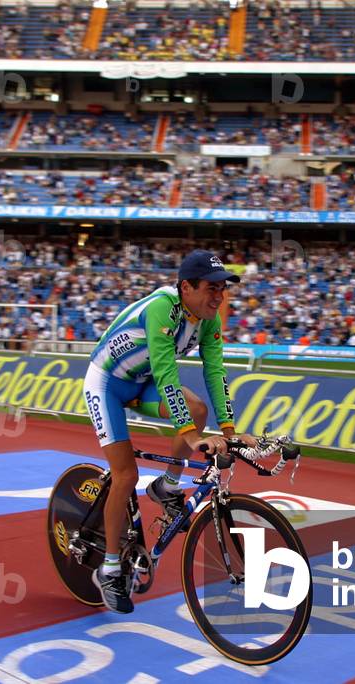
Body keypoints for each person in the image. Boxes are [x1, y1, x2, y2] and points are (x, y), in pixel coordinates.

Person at [82, 249, 257, 614]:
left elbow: (215, 373)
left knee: (197, 409)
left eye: (223, 289)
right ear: (186, 287)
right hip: (108, 384)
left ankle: (168, 485)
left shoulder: (209, 319)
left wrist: (229, 429)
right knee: (125, 474)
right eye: (211, 288)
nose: (219, 296)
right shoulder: (164, 307)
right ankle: (110, 568)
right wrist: (192, 437)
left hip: (140, 381)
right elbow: (166, 373)